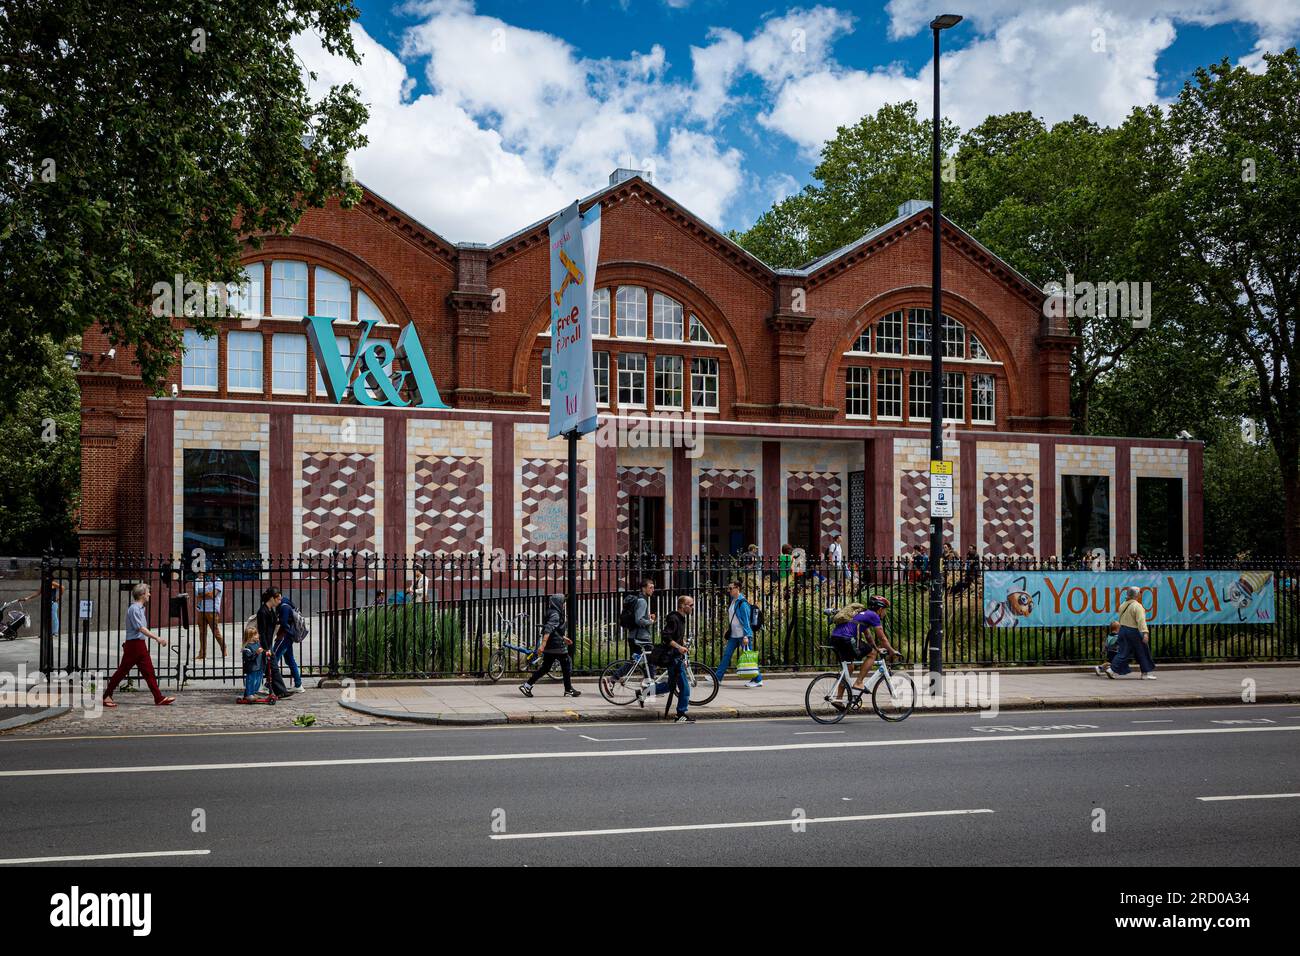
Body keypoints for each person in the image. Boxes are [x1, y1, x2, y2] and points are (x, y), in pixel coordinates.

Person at [102, 583, 176, 707]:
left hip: (139, 644)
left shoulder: (140, 608)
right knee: (123, 671)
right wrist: (157, 638)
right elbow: (140, 628)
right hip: (134, 645)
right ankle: (106, 696)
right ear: (142, 595)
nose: (149, 594)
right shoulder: (135, 609)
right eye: (147, 592)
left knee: (148, 672)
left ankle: (158, 698)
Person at [830, 595, 898, 704]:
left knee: (849, 667)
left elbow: (868, 637)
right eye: (885, 610)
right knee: (872, 654)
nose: (885, 613)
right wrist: (892, 650)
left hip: (835, 638)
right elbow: (883, 638)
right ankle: (859, 682)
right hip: (847, 639)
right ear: (880, 609)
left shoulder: (862, 614)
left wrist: (877, 648)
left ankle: (838, 699)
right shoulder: (873, 616)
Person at [637, 595, 694, 722]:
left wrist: (682, 642)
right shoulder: (674, 618)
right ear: (683, 606)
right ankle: (681, 714)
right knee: (684, 686)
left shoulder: (681, 618)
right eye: (690, 605)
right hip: (673, 657)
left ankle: (644, 693)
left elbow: (675, 636)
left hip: (675, 656)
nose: (692, 608)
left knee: (670, 685)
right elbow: (666, 636)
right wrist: (679, 647)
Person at [518, 594, 579, 698]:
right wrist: (542, 645)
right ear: (558, 603)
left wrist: (563, 637)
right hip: (556, 646)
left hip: (552, 645)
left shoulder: (552, 612)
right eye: (563, 602)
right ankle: (568, 690)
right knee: (566, 665)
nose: (564, 605)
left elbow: (554, 630)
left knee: (545, 668)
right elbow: (548, 629)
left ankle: (527, 685)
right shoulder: (555, 614)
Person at [1098, 587, 1156, 679]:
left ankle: (1111, 670)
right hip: (1134, 631)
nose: (1140, 594)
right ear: (1136, 594)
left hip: (1122, 630)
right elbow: (1141, 620)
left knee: (1122, 652)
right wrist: (1145, 632)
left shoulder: (1123, 605)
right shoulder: (1137, 606)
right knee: (1143, 651)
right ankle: (1145, 673)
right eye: (1140, 592)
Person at [715, 578, 763, 688]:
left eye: (731, 588)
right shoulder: (733, 601)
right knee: (726, 655)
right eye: (729, 588)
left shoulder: (742, 603)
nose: (729, 590)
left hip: (743, 636)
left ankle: (758, 680)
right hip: (734, 635)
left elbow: (746, 621)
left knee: (749, 657)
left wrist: (747, 635)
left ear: (738, 589)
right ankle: (717, 678)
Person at [617, 577, 657, 678]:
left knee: (633, 662)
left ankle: (612, 679)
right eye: (650, 587)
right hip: (641, 638)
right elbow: (638, 620)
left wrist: (647, 617)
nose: (653, 590)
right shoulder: (642, 601)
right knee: (651, 661)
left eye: (653, 587)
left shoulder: (639, 600)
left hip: (634, 636)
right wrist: (650, 621)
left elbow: (637, 617)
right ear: (643, 588)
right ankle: (651, 687)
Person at [255, 587, 288, 700]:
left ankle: (280, 691)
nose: (280, 601)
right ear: (272, 598)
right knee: (270, 667)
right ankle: (280, 691)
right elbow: (262, 632)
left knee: (271, 667)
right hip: (264, 644)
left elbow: (275, 623)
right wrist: (266, 648)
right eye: (278, 599)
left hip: (269, 643)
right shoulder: (262, 612)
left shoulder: (270, 610)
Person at [272, 593, 304, 694]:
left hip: (284, 636)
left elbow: (284, 622)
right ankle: (298, 685)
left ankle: (268, 685)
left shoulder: (284, 607)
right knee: (290, 659)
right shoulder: (286, 605)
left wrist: (286, 630)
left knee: (273, 658)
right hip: (287, 636)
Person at [193, 571, 227, 660]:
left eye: (210, 573)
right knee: (202, 633)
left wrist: (202, 595)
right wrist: (204, 594)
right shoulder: (208, 583)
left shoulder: (219, 582)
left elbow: (213, 595)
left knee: (215, 632)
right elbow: (198, 593)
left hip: (212, 610)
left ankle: (224, 647)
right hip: (202, 609)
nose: (208, 574)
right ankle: (202, 654)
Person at [238, 623, 272, 704]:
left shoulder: (257, 644)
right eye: (255, 634)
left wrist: (266, 653)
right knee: (251, 681)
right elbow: (249, 658)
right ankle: (249, 694)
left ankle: (253, 693)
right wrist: (256, 653)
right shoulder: (247, 648)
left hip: (259, 666)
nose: (258, 635)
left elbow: (261, 652)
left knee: (258, 681)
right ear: (250, 637)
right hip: (252, 668)